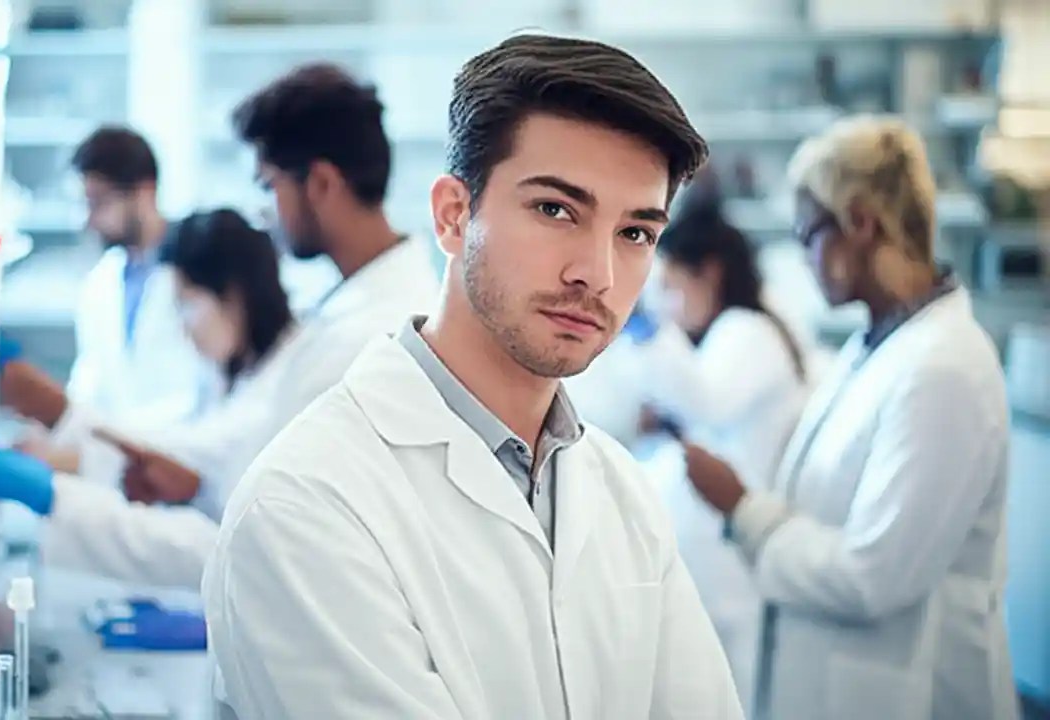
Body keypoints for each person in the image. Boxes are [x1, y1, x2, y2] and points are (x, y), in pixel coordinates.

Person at [203, 34, 742, 720]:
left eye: (635, 233)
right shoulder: (305, 506)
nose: (597, 275)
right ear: (453, 215)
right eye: (556, 210)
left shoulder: (621, 490)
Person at [0, 66, 440, 589]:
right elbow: (227, 464)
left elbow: (257, 525)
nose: (266, 210)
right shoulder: (344, 311)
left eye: (270, 185)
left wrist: (62, 455)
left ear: (321, 184)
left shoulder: (368, 337)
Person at [681, 116, 1017, 720]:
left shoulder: (945, 368)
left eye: (810, 232)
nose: (804, 256)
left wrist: (743, 510)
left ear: (860, 222)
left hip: (912, 691)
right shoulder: (878, 346)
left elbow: (874, 576)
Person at [0, 208, 294, 588]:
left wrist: (54, 416)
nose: (183, 328)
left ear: (233, 297)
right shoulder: (229, 377)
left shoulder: (280, 390)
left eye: (187, 303)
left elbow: (196, 453)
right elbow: (175, 452)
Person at [624, 197, 812, 710]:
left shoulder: (748, 331)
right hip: (717, 556)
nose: (667, 304)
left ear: (708, 272)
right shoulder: (731, 335)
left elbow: (705, 399)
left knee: (728, 693)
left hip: (731, 559)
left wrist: (638, 325)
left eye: (670, 286)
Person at [63, 126, 218, 433]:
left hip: (183, 453)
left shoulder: (198, 270)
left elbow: (208, 387)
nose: (89, 220)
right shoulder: (100, 283)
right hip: (116, 461)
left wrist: (124, 436)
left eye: (99, 203)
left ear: (145, 192)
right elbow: (91, 382)